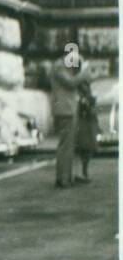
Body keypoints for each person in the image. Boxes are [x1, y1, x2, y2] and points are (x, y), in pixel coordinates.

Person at [50, 49, 92, 188]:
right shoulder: (59, 66)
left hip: (69, 108)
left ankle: (67, 176)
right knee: (66, 145)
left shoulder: (64, 66)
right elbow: (71, 83)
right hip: (65, 109)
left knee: (69, 144)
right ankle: (63, 178)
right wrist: (83, 71)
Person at [74, 82, 98, 183]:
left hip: (88, 125)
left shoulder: (90, 99)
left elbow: (92, 112)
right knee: (83, 148)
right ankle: (83, 172)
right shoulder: (81, 100)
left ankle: (84, 171)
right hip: (84, 125)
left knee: (87, 149)